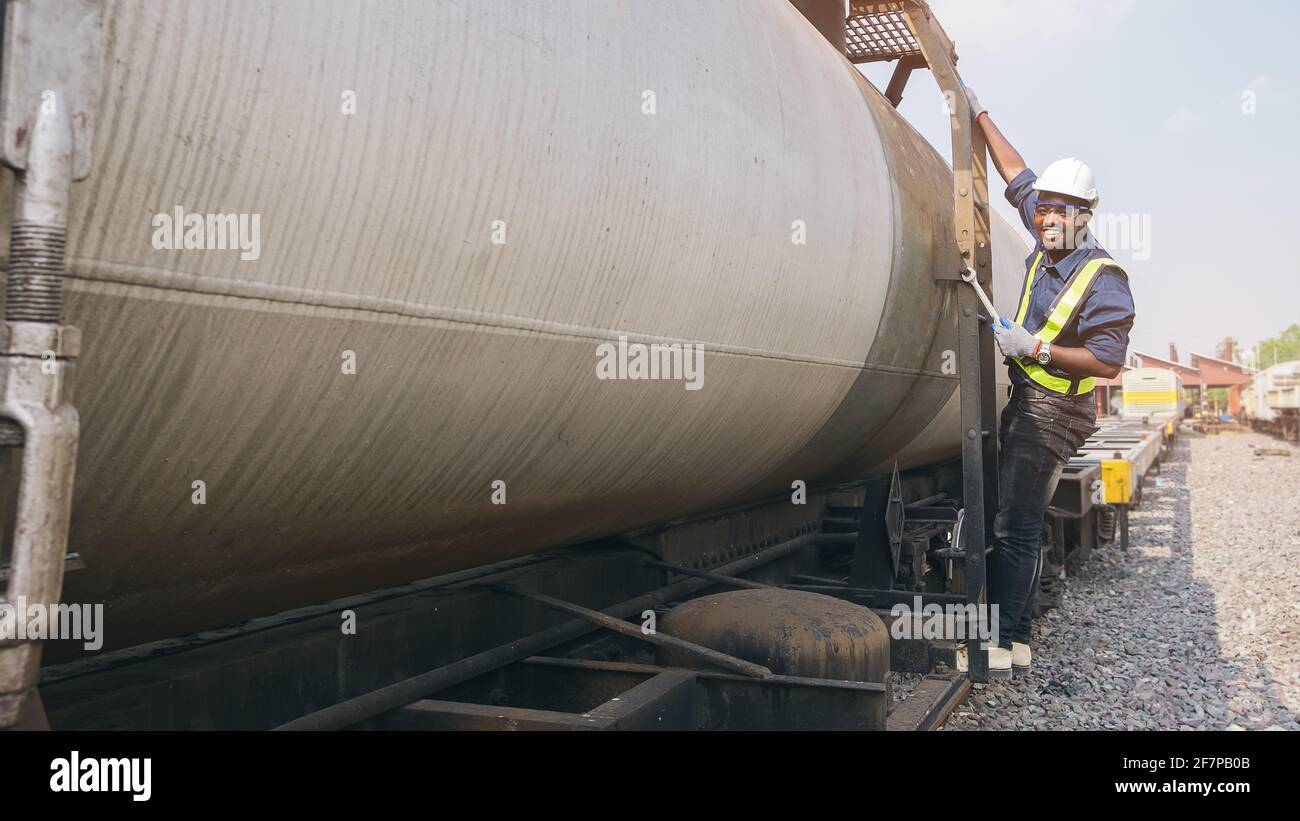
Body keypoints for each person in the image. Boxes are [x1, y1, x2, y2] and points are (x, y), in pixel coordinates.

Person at [960, 84, 1137, 679]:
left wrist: (1036, 346)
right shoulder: (1044, 229)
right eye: (1046, 208)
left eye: (1063, 210)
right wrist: (976, 108)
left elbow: (1109, 361)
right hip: (1031, 399)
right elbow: (1016, 172)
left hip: (1056, 411)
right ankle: (1012, 633)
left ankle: (1010, 642)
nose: (1049, 216)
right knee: (1014, 518)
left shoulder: (1104, 277)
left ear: (1086, 216)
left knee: (1017, 525)